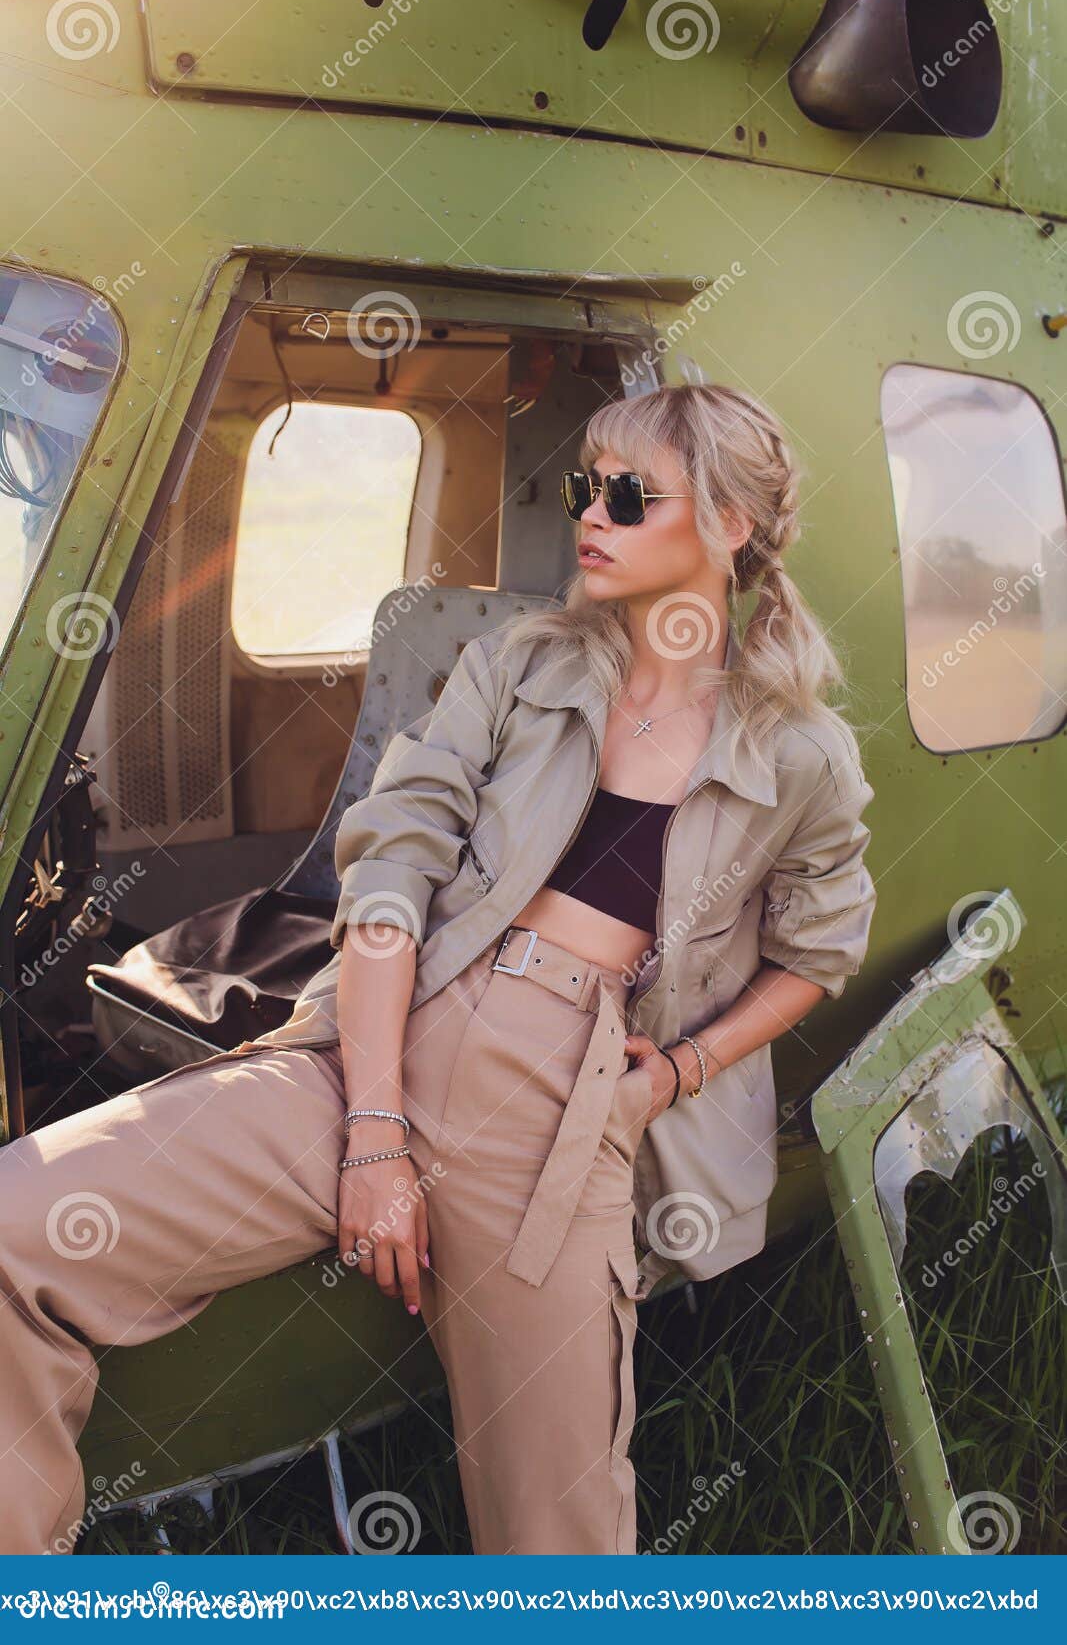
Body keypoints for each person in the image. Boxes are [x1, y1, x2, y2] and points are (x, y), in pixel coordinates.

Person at [0, 383, 876, 1556]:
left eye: (629, 494)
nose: (591, 516)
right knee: (20, 1223)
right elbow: (387, 870)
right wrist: (372, 1132)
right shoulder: (520, 666)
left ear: (726, 526)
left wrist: (666, 1077)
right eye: (585, 487)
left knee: (554, 1539)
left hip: (563, 1120)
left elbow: (817, 951)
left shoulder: (798, 751)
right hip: (373, 1046)